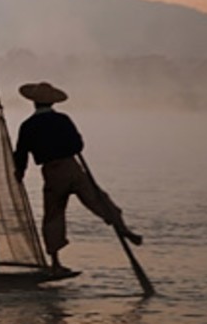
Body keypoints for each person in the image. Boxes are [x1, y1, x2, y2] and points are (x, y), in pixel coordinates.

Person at [12, 82, 142, 273]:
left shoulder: (28, 126)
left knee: (53, 215)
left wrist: (20, 173)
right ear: (52, 103)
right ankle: (122, 227)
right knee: (98, 199)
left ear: (34, 103)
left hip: (53, 171)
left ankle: (55, 262)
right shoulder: (63, 120)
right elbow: (77, 145)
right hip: (72, 167)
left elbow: (21, 153)